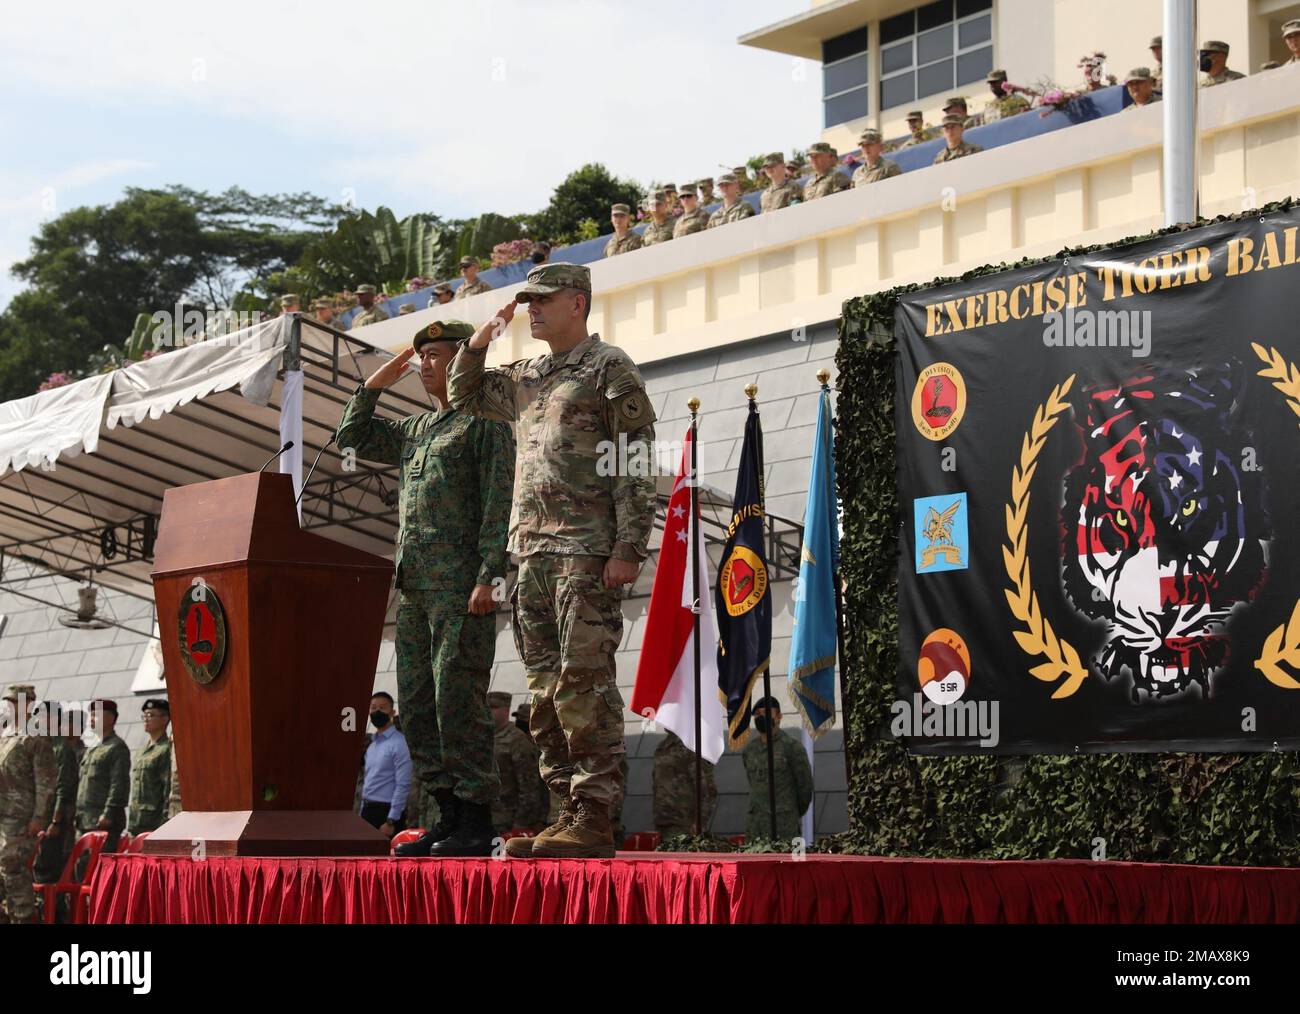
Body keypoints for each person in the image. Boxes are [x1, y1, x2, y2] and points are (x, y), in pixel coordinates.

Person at [448, 262, 656, 860]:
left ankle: (593, 815)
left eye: (545, 299)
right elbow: (463, 397)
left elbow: (635, 457)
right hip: (530, 554)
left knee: (582, 684)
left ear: (579, 302)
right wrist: (480, 341)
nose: (533, 309)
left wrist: (628, 547)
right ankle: (565, 810)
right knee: (542, 694)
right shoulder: (528, 374)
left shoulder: (608, 366)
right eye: (528, 300)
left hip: (586, 552)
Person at [337, 320, 514, 857]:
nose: (426, 366)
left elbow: (497, 504)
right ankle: (445, 813)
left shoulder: (486, 424)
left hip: (463, 589)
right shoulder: (415, 430)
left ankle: (476, 821)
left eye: (436, 355)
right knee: (417, 703)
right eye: (421, 358)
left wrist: (490, 575)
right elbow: (353, 437)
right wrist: (374, 386)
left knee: (457, 699)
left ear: (463, 359)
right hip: (414, 589)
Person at [0, 685, 55, 924]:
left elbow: (46, 782)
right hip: (3, 815)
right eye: (8, 701)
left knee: (12, 867)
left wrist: (40, 817)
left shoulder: (36, 735)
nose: (10, 705)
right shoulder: (6, 733)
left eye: (15, 701)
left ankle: (24, 918)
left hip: (21, 817)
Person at [742, 697, 812, 841]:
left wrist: (789, 811)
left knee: (789, 863)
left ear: (779, 717)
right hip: (756, 829)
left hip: (784, 828)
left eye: (766, 713)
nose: (761, 717)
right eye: (758, 714)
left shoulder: (792, 748)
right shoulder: (749, 750)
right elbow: (753, 783)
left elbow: (805, 789)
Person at [488, 692, 548, 835]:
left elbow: (529, 786)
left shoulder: (517, 740)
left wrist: (520, 824)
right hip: (485, 818)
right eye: (487, 707)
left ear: (506, 709)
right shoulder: (482, 737)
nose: (489, 711)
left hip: (508, 820)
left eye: (493, 707)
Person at [32, 702, 78, 885]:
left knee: (48, 872)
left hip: (54, 821)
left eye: (43, 716)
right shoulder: (42, 747)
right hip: (40, 818)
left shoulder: (62, 748)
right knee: (37, 869)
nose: (39, 720)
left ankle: (55, 913)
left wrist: (56, 821)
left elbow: (63, 788)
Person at [76, 699, 129, 856]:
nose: (91, 719)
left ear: (111, 718)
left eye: (96, 715)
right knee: (81, 869)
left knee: (97, 869)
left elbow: (119, 783)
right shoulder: (93, 747)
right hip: (84, 820)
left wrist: (109, 813)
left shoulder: (116, 747)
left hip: (103, 822)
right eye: (90, 715)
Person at [357, 692, 411, 838]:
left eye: (382, 707)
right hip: (367, 812)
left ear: (392, 712)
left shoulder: (399, 743)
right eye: (373, 708)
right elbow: (368, 783)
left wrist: (391, 820)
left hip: (386, 814)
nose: (377, 712)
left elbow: (403, 784)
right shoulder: (373, 745)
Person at [652, 730, 717, 840]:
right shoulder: (662, 747)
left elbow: (705, 789)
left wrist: (700, 822)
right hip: (663, 821)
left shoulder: (690, 747)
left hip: (684, 822)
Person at [127, 699, 172, 835]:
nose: (146, 719)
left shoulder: (166, 750)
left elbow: (168, 789)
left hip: (154, 823)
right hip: (136, 821)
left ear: (165, 719)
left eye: (151, 715)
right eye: (144, 716)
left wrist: (164, 824)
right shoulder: (142, 751)